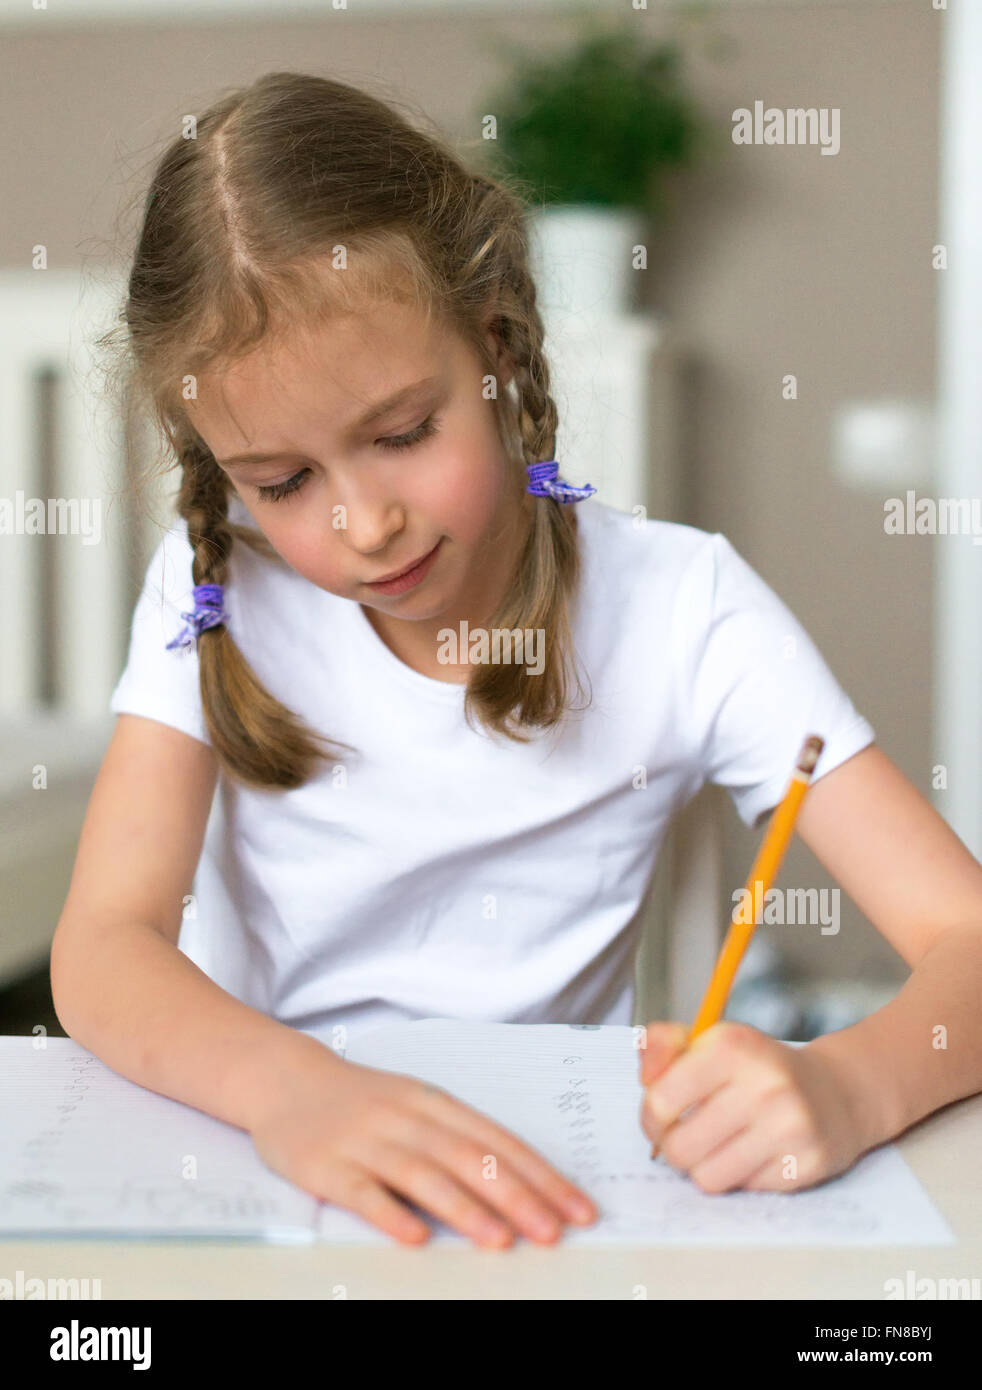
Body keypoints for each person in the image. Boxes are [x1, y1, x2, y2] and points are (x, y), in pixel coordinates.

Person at [52, 72, 982, 1249]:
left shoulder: (685, 607)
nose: (363, 524)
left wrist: (850, 1087)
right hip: (271, 1173)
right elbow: (102, 943)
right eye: (281, 482)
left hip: (554, 1202)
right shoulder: (215, 594)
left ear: (494, 344)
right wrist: (290, 1090)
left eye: (400, 435)